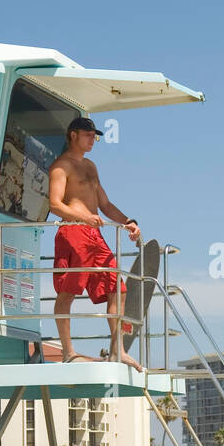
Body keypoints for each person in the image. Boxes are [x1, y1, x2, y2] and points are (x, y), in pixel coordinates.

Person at [47, 116, 143, 369]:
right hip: (73, 231)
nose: (93, 139)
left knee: (117, 288)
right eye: (88, 135)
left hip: (94, 234)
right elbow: (55, 204)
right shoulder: (61, 166)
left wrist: (128, 222)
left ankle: (117, 350)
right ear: (73, 135)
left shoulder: (90, 166)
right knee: (68, 290)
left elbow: (106, 204)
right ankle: (69, 351)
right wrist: (84, 217)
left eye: (95, 136)